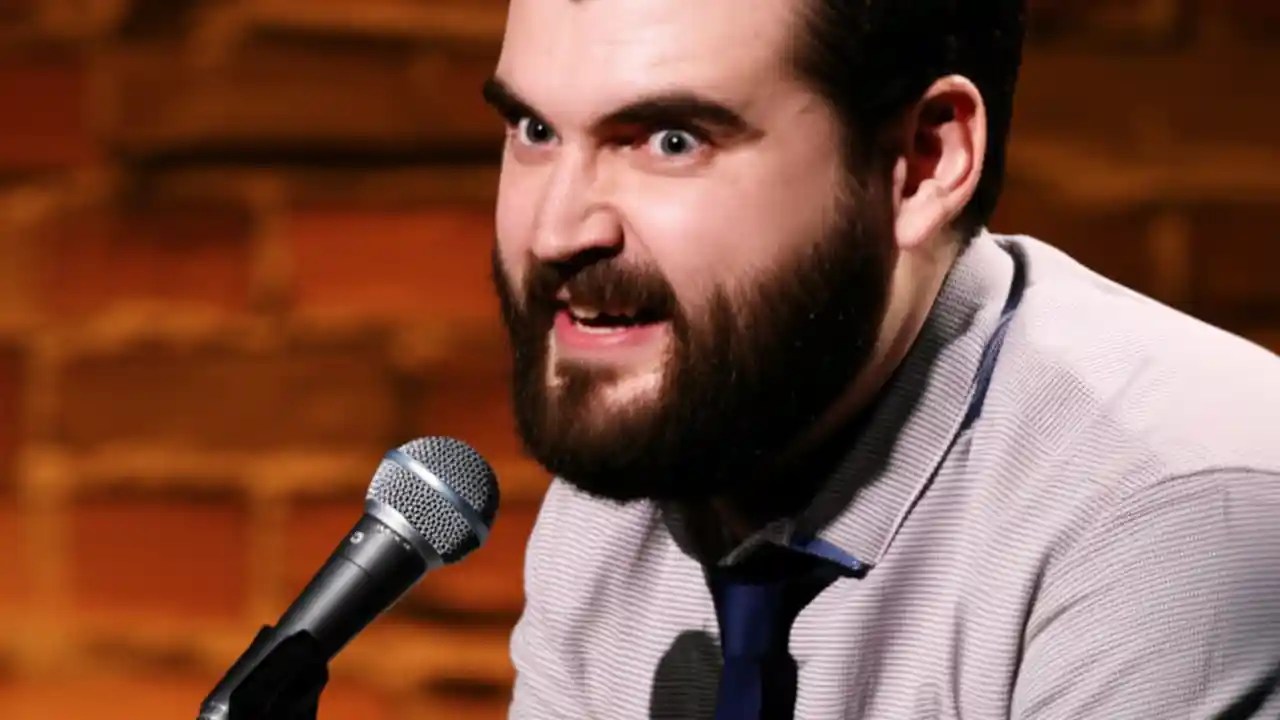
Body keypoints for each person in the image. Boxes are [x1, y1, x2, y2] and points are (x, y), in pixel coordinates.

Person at [482, 0, 1280, 717]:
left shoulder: (1173, 512)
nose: (556, 232)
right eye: (536, 131)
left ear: (926, 163)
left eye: (671, 141)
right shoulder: (651, 450)